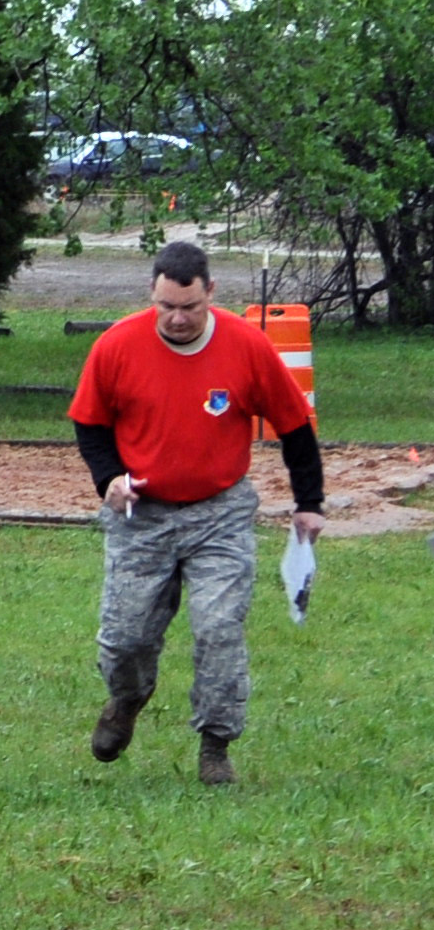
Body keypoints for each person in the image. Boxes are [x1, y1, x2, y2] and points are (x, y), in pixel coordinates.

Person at [67, 242, 326, 789]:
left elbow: (295, 426)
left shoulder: (246, 346)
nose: (178, 319)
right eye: (167, 307)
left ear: (211, 293)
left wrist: (309, 505)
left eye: (189, 306)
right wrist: (108, 478)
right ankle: (128, 698)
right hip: (142, 513)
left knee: (219, 627)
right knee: (126, 639)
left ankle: (216, 744)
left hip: (219, 512)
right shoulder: (117, 346)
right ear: (152, 296)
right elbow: (90, 424)